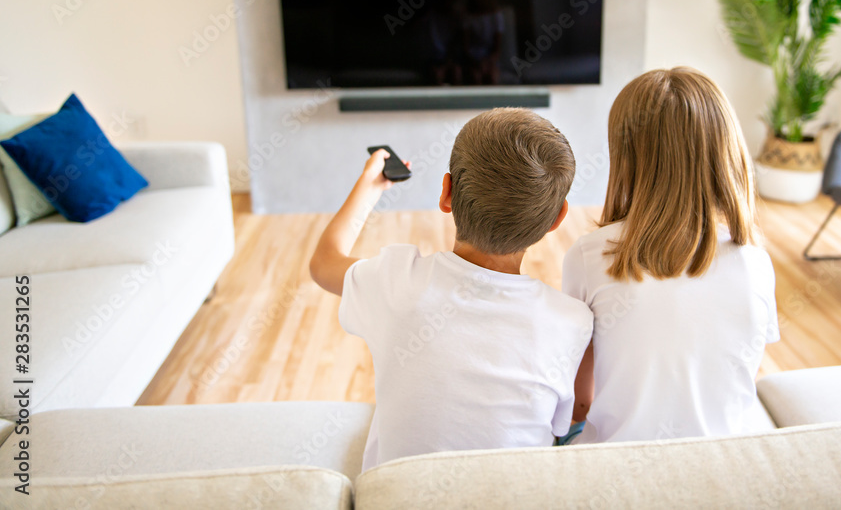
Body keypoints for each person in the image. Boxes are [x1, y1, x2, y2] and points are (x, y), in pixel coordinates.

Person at [309, 108, 593, 470]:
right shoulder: (571, 322)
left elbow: (323, 262)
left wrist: (369, 187)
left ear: (446, 193)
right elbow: (566, 423)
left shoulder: (395, 282)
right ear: (556, 219)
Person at [563, 67, 778, 444]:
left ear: (626, 157)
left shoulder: (590, 255)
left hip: (616, 462)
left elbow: (579, 402)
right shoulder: (756, 262)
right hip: (727, 456)